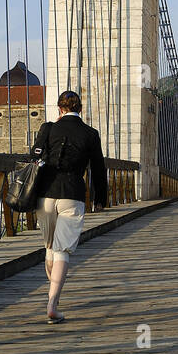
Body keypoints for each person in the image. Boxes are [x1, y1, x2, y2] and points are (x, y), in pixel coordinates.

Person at [31, 89, 108, 324]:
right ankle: (52, 304)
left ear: (59, 108)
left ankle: (52, 293)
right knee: (62, 250)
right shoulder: (90, 134)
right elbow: (98, 168)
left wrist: (51, 131)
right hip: (72, 194)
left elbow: (34, 157)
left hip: (45, 194)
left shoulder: (48, 128)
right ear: (80, 109)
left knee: (49, 247)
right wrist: (100, 198)